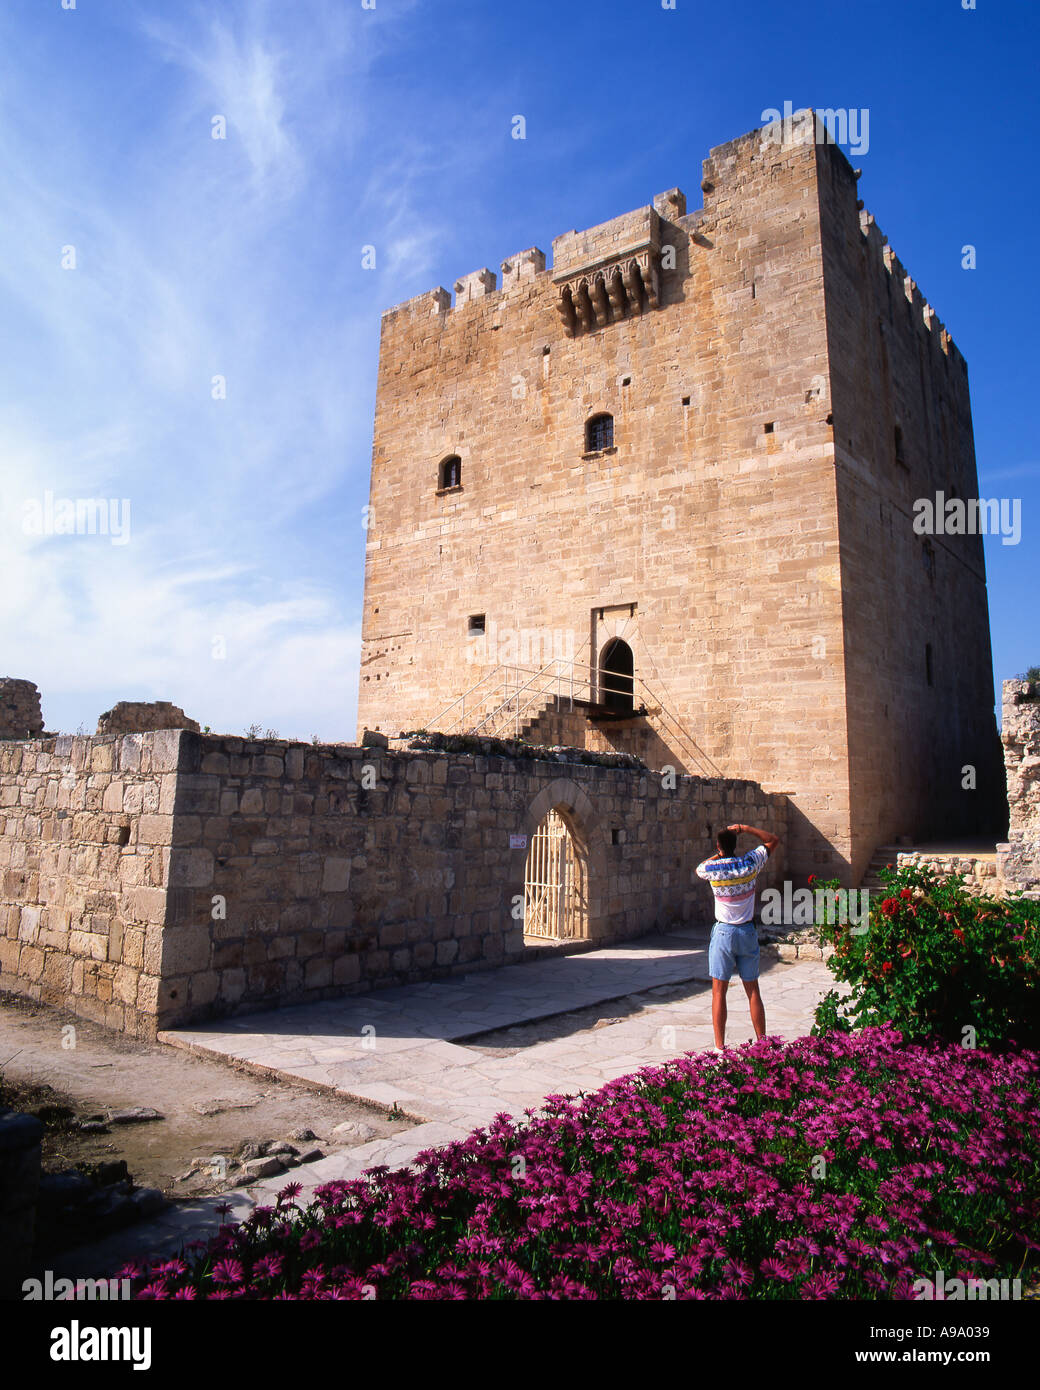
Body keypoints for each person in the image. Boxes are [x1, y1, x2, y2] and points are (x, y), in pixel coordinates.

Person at [695, 821, 779, 1052]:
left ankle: (720, 1048)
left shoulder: (713, 869)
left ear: (719, 847)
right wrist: (745, 828)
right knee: (753, 990)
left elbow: (700, 867)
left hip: (723, 932)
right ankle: (763, 1043)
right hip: (747, 931)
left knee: (719, 990)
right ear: (736, 844)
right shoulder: (750, 863)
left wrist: (720, 854)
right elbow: (772, 840)